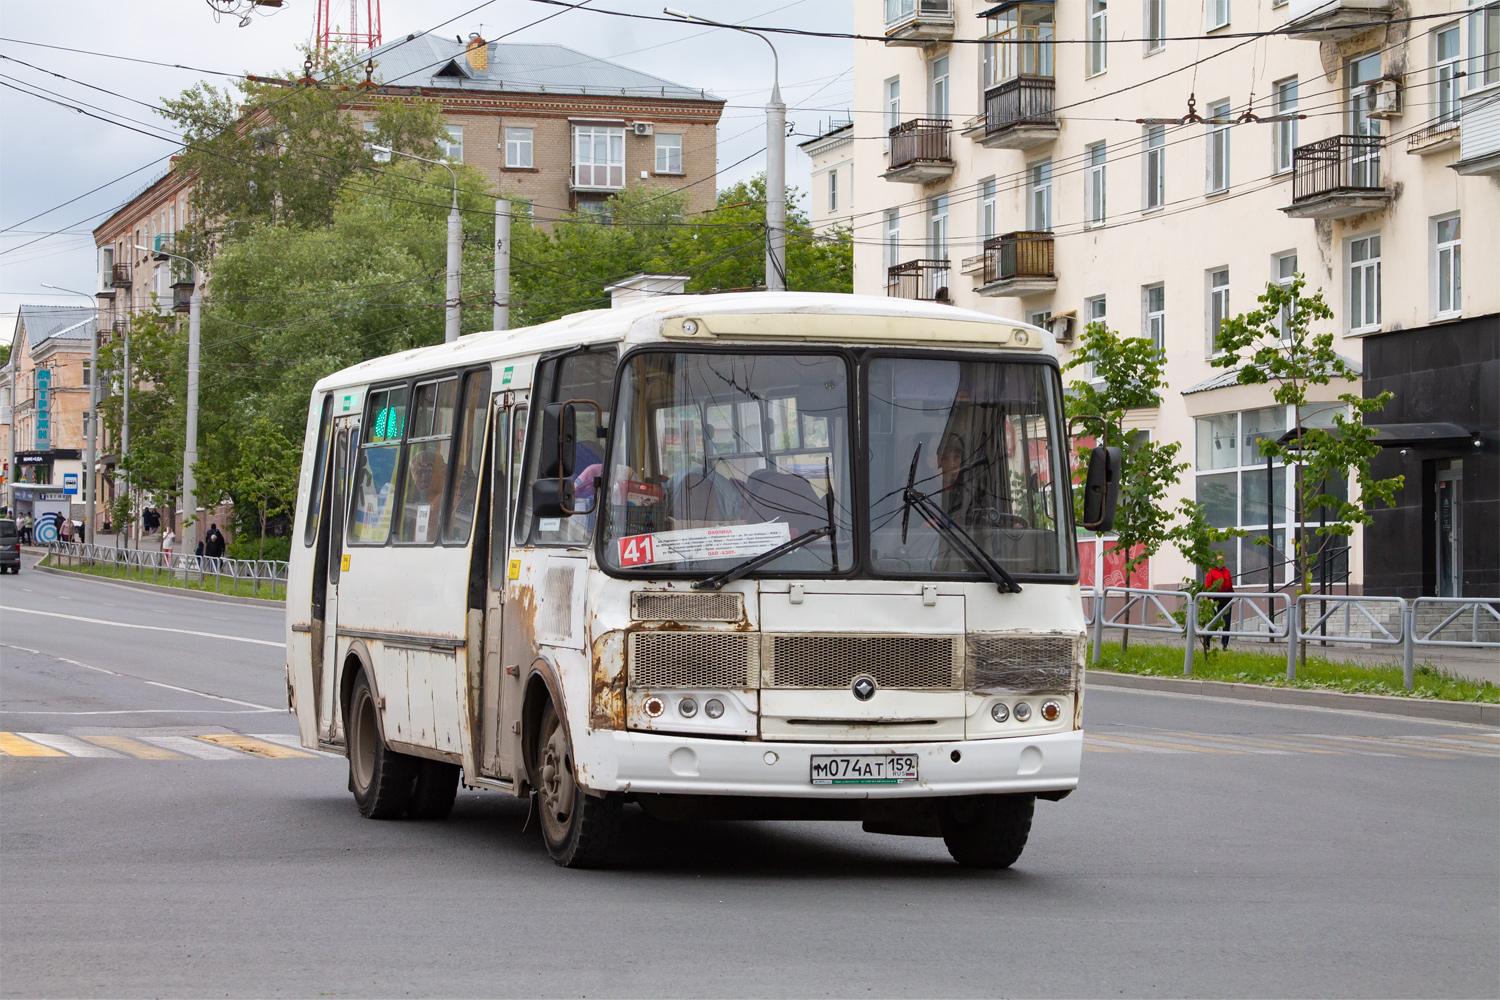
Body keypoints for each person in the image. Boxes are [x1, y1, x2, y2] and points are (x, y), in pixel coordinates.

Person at [1203, 555, 1235, 650]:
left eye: (1223, 560)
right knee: (1215, 622)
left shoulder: (1227, 571)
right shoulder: (1211, 571)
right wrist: (1210, 598)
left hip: (1227, 600)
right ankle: (1207, 639)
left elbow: (1230, 584)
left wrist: (1232, 596)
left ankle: (1225, 645)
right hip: (1216, 600)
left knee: (1226, 623)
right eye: (1219, 560)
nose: (1221, 562)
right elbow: (1208, 586)